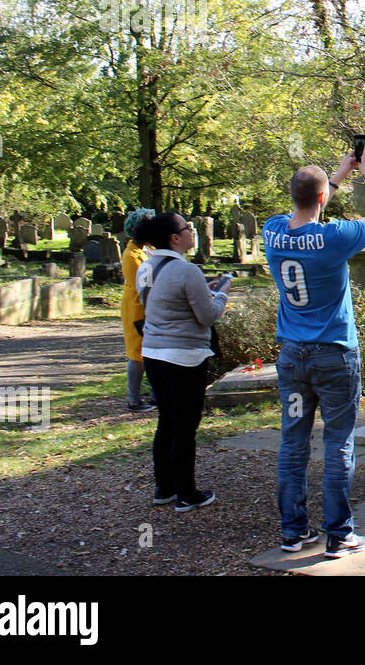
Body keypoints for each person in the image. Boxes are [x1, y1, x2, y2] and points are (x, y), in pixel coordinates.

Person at [265, 141, 365, 558]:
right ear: (321, 200)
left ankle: (293, 532)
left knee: (293, 443)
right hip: (334, 355)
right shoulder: (334, 238)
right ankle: (339, 534)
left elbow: (309, 205)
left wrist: (335, 177)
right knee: (338, 442)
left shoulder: (272, 230)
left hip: (292, 357)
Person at [136, 212, 231, 512]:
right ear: (175, 238)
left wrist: (206, 289)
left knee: (166, 421)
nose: (192, 232)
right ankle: (187, 494)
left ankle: (163, 488)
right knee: (186, 427)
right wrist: (222, 294)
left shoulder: (147, 268)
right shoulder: (187, 271)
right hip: (185, 357)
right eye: (187, 228)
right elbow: (208, 316)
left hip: (153, 353)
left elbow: (165, 302)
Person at [121, 207, 156, 413]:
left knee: (149, 353)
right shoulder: (132, 256)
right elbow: (144, 286)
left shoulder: (143, 250)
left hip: (144, 305)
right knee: (137, 354)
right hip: (137, 308)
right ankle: (134, 399)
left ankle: (154, 395)